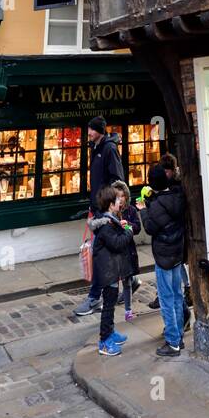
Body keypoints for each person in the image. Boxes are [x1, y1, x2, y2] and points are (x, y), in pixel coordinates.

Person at [74, 118, 126, 317]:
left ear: (100, 131)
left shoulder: (109, 149)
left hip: (106, 211)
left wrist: (111, 207)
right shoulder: (95, 148)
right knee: (106, 254)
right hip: (97, 209)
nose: (88, 132)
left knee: (99, 254)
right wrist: (92, 204)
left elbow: (117, 180)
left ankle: (95, 297)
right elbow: (96, 181)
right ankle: (127, 282)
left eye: (91, 129)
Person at [140, 162, 186, 357]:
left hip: (164, 255)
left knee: (166, 298)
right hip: (177, 251)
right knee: (177, 294)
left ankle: (173, 341)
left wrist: (143, 209)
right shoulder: (176, 196)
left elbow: (151, 227)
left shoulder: (157, 204)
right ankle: (180, 336)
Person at [89, 183, 131, 356]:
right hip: (108, 273)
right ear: (110, 205)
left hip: (111, 271)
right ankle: (104, 341)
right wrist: (127, 231)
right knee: (108, 306)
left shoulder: (109, 221)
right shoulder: (106, 225)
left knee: (111, 304)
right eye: (117, 200)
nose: (120, 202)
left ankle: (110, 332)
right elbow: (116, 243)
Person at [112, 180, 141, 321]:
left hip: (127, 251)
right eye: (117, 196)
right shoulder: (111, 212)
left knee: (126, 282)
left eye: (122, 196)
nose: (120, 199)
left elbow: (137, 228)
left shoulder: (131, 211)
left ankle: (128, 311)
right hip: (115, 250)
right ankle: (135, 280)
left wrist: (128, 226)